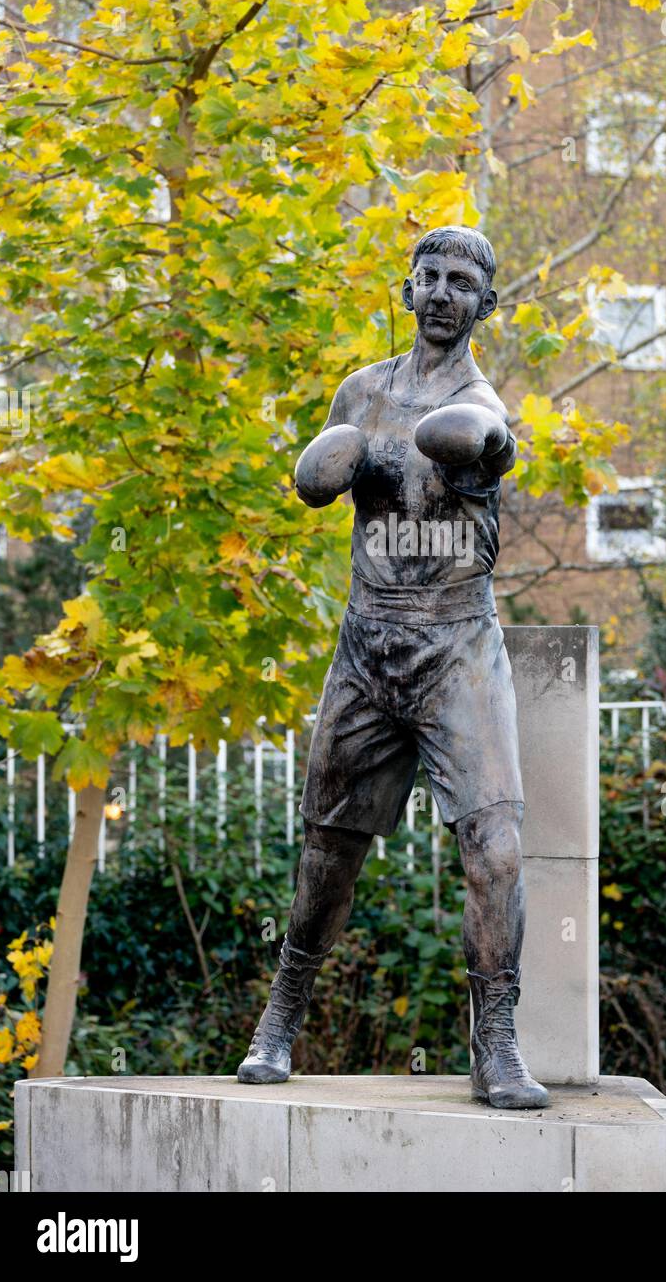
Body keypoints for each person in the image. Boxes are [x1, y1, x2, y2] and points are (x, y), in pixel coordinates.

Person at [237, 225, 548, 1110]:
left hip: (456, 647)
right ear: (408, 289)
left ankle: (498, 1043)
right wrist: (342, 453)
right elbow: (312, 481)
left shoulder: (485, 406)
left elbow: (477, 441)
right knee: (329, 851)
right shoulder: (362, 391)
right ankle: (280, 1020)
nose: (445, 292)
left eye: (463, 283)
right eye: (432, 276)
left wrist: (469, 443)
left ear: (485, 306)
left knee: (497, 844)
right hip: (369, 646)